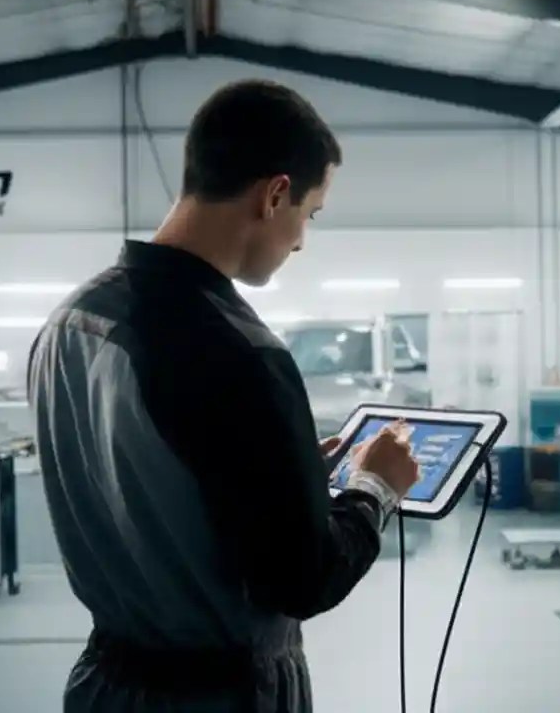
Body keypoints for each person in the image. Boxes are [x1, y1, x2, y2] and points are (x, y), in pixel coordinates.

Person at [27, 79, 421, 712]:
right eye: (309, 215)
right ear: (275, 195)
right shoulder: (239, 352)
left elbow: (159, 488)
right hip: (216, 698)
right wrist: (375, 489)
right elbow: (304, 579)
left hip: (105, 685)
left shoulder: (70, 321)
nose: (300, 241)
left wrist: (283, 479)